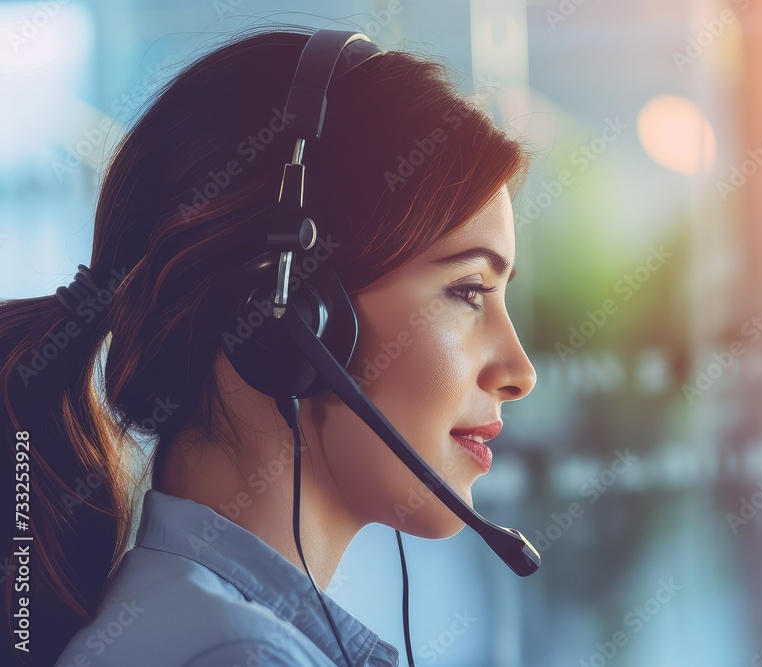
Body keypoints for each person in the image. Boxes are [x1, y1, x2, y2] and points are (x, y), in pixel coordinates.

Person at [0, 24, 537, 667]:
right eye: (468, 290)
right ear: (287, 318)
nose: (519, 371)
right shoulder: (237, 653)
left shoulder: (200, 631)